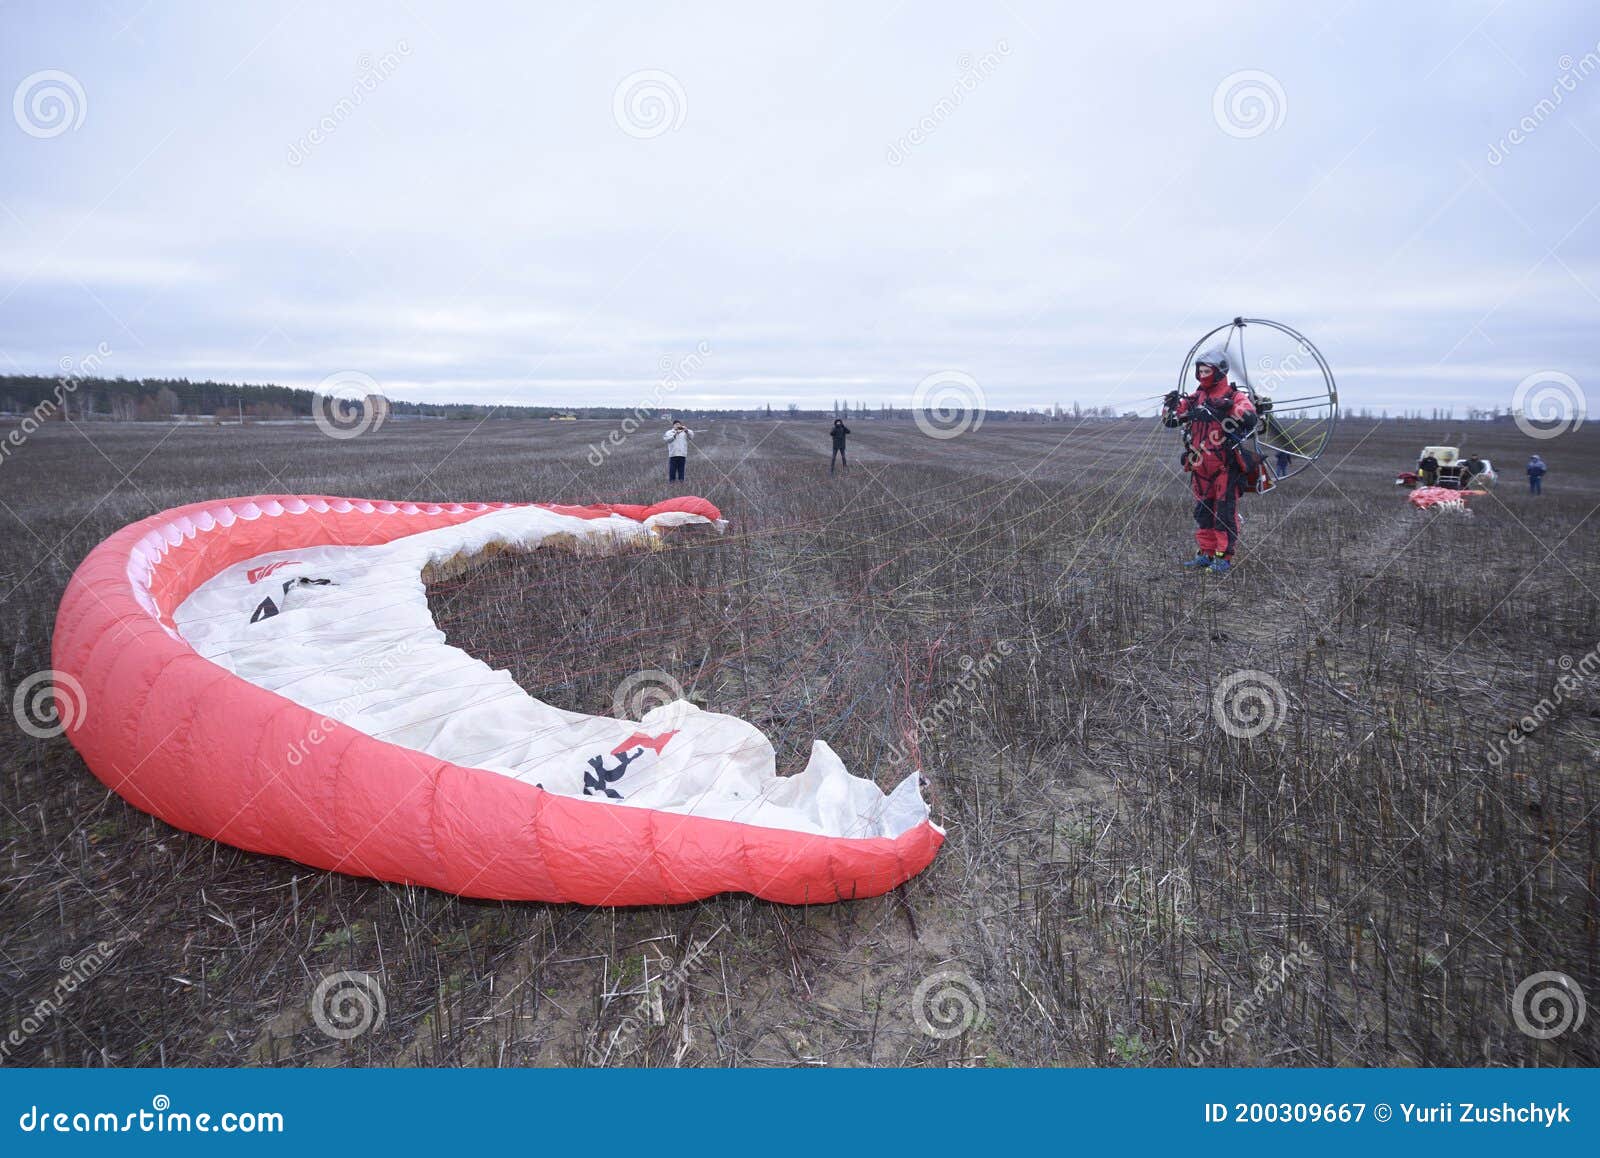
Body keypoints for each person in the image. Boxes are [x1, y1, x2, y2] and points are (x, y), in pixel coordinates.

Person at [1162, 347, 1257, 575]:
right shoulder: (1195, 398)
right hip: (1199, 466)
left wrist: (1221, 411)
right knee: (1203, 512)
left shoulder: (1234, 397)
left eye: (1207, 371)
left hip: (1225, 466)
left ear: (1219, 371)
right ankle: (1206, 554)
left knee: (1224, 513)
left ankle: (1223, 557)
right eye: (1200, 371)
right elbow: (1170, 420)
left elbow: (1250, 417)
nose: (1203, 375)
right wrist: (1170, 404)